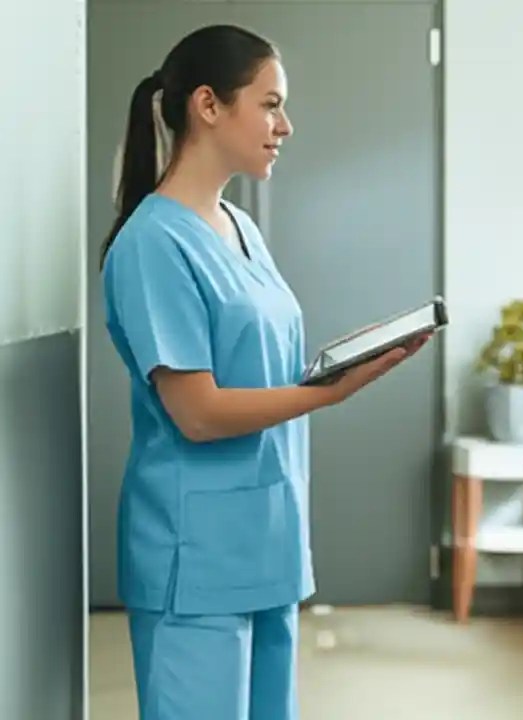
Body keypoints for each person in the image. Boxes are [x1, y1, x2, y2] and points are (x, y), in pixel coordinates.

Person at [99, 25, 428, 720]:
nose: (285, 125)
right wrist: (327, 394)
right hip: (195, 560)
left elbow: (262, 368)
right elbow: (198, 411)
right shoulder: (152, 244)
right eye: (270, 104)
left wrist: (339, 362)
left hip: (267, 542)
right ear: (208, 105)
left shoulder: (239, 228)